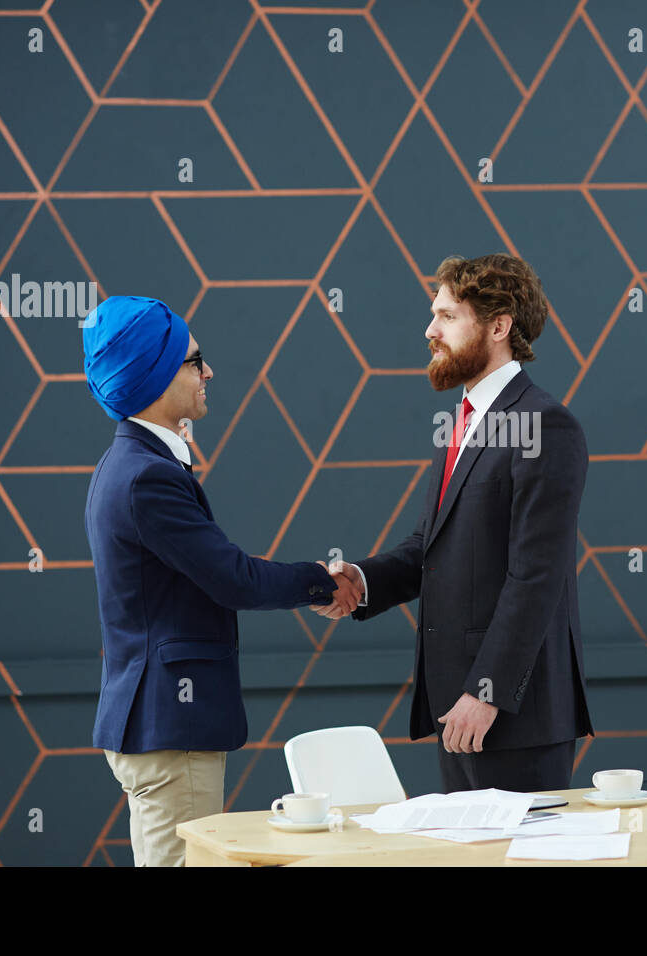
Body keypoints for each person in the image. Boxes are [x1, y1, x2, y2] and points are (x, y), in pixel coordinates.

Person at [82, 295, 360, 866]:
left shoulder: (135, 466)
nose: (208, 372)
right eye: (192, 361)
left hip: (160, 725)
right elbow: (232, 578)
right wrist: (320, 582)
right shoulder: (146, 478)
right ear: (155, 376)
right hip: (170, 729)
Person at [312, 254, 594, 793]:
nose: (430, 330)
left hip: (511, 714)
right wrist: (362, 582)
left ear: (499, 326)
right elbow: (431, 547)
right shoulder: (462, 420)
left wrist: (486, 692)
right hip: (457, 708)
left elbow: (536, 576)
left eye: (446, 316)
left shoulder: (546, 424)